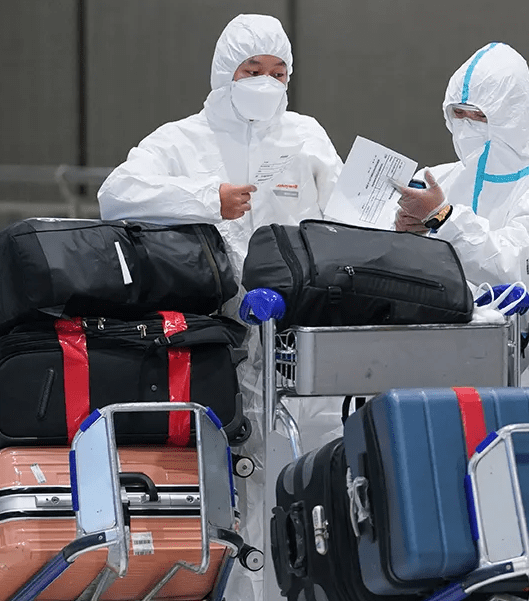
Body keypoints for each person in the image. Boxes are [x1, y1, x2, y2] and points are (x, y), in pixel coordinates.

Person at [97, 14, 344, 601]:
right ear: (223, 72)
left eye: (278, 72)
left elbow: (347, 214)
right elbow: (116, 194)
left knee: (313, 482)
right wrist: (206, 199)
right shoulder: (181, 141)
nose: (266, 83)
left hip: (299, 344)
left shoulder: (306, 135)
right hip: (215, 343)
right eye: (252, 70)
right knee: (231, 488)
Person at [394, 42, 529, 386]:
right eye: (459, 114)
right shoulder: (437, 179)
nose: (467, 126)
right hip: (432, 353)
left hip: (519, 362)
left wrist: (443, 218)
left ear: (513, 115)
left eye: (479, 115)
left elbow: (519, 272)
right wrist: (403, 233)